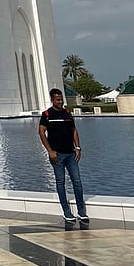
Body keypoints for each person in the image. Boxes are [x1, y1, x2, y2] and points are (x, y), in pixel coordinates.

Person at [39, 88, 88, 223]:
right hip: (57, 155)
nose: (60, 102)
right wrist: (50, 151)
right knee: (60, 182)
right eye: (57, 99)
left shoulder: (67, 113)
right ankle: (66, 211)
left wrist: (77, 147)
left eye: (61, 99)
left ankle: (81, 210)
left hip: (71, 154)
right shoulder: (47, 114)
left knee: (77, 181)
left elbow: (74, 131)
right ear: (52, 100)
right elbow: (41, 132)